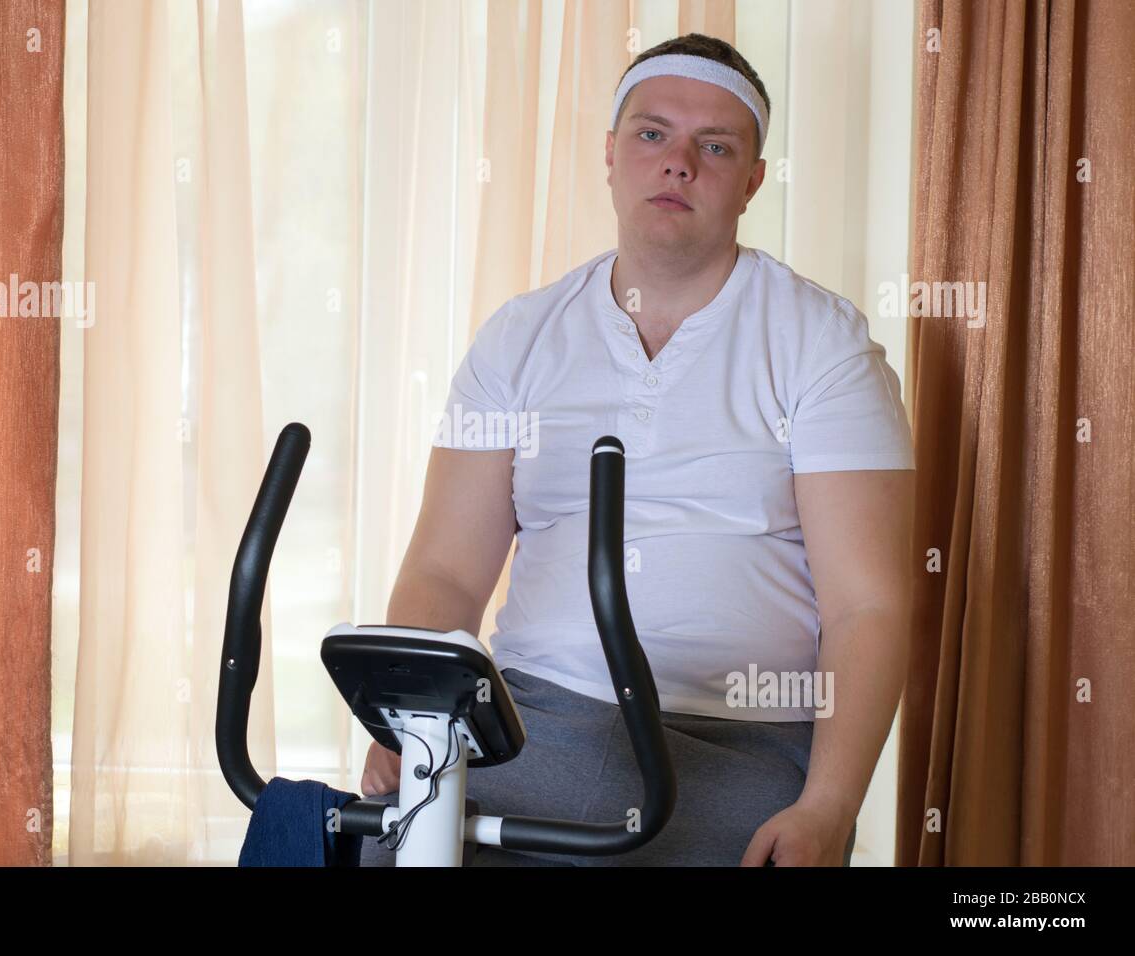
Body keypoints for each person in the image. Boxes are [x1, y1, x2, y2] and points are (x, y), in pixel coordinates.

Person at [359, 32, 915, 867]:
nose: (678, 162)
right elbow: (445, 568)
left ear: (754, 180)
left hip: (738, 737)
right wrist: (416, 725)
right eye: (652, 134)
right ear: (611, 157)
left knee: (457, 829)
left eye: (715, 145)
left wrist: (830, 808)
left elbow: (867, 606)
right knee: (378, 834)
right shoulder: (518, 338)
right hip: (533, 716)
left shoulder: (824, 345)